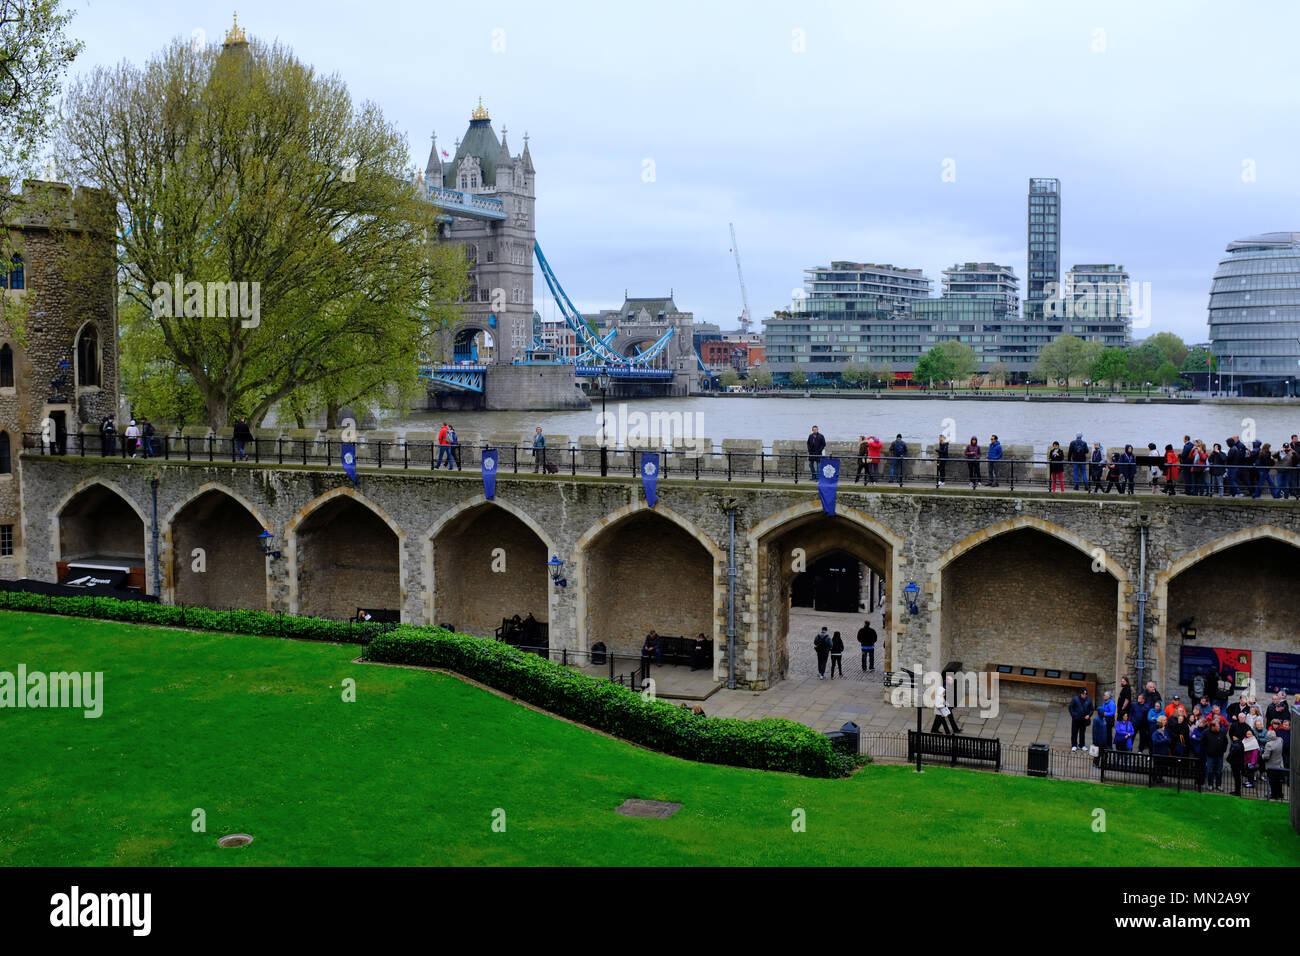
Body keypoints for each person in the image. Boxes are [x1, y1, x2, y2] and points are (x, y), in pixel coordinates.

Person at [1202, 717, 1227, 791]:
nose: (1219, 727)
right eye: (1217, 726)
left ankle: (1218, 785)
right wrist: (1207, 751)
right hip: (1210, 756)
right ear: (1213, 726)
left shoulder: (1222, 732)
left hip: (1219, 756)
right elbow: (1203, 743)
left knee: (1219, 771)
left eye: (1219, 726)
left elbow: (1226, 742)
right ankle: (1210, 784)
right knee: (1210, 771)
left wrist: (1223, 750)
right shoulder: (1206, 732)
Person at [1262, 730, 1285, 800]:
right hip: (1280, 764)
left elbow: (1266, 757)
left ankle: (1274, 795)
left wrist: (1262, 755)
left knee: (1272, 781)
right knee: (1279, 780)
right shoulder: (1280, 739)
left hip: (1272, 766)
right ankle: (1280, 794)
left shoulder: (1269, 744)